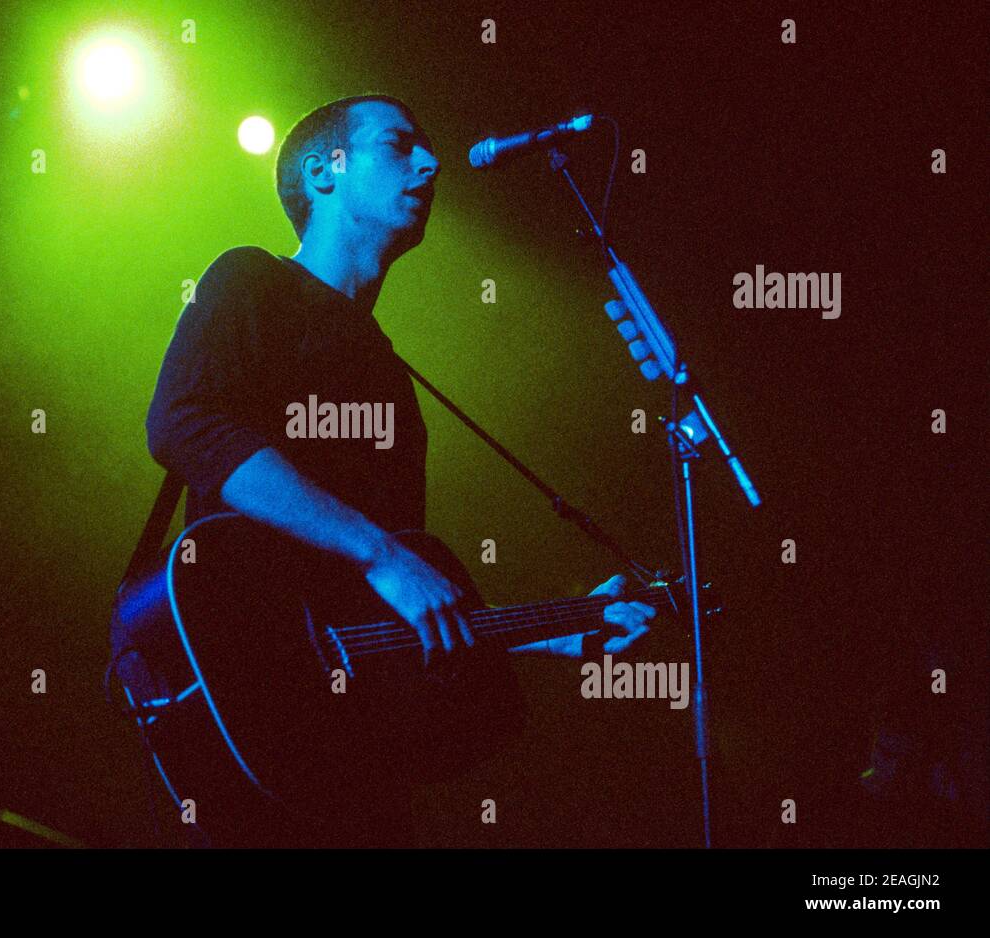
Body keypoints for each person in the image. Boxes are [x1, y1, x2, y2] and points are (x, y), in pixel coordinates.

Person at [142, 94, 655, 846]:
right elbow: (184, 423)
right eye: (399, 145)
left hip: (352, 756)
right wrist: (380, 551)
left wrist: (553, 633)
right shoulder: (252, 282)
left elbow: (377, 611)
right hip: (251, 721)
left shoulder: (390, 379)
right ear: (325, 172)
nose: (432, 162)